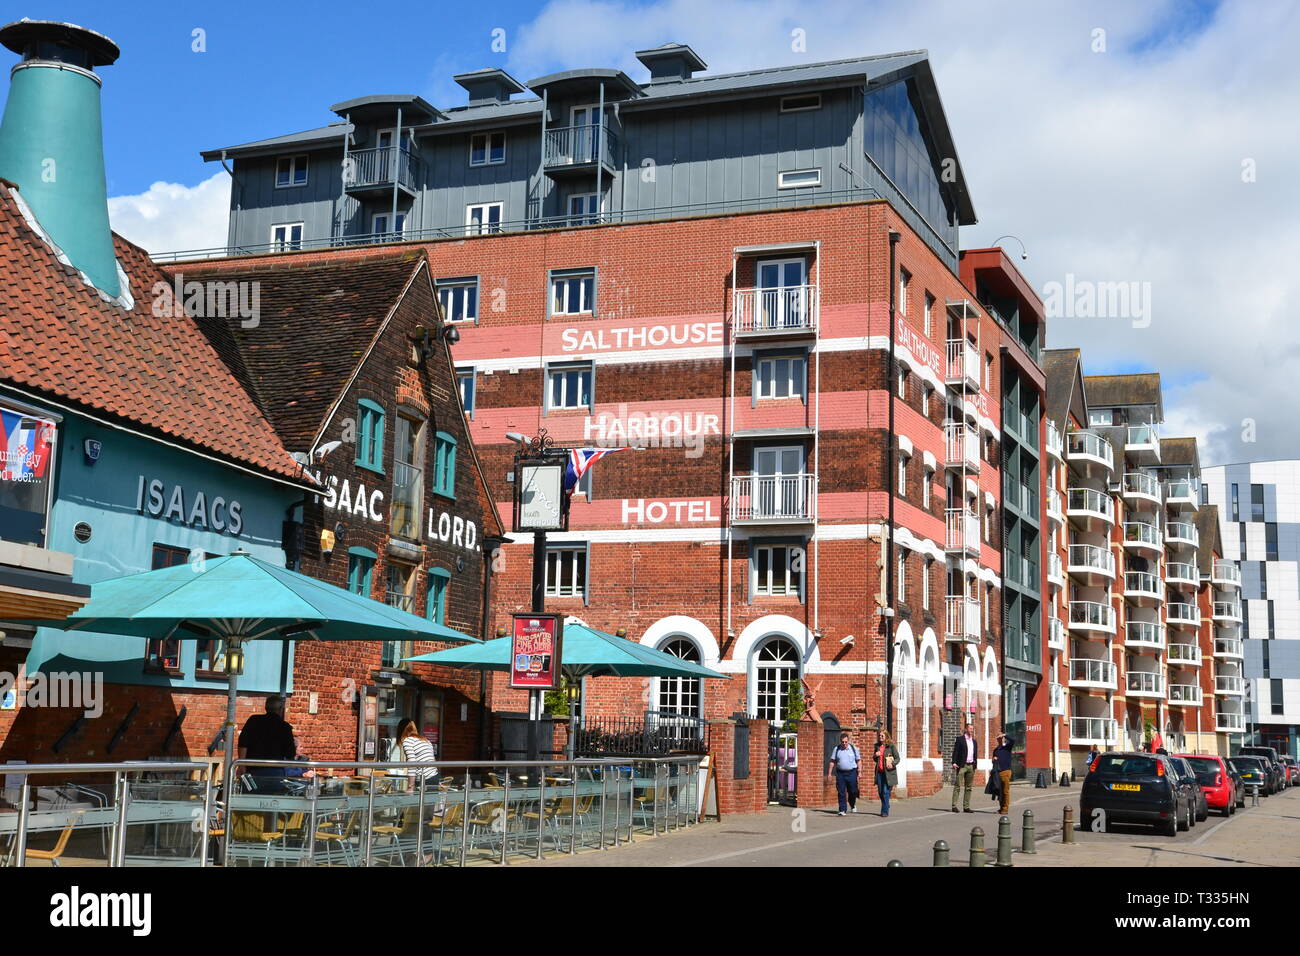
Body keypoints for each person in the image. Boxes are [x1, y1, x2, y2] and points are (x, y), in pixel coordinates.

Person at [237, 696, 296, 790]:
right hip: (275, 771)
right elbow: (290, 753)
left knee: (249, 800)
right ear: (281, 709)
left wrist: (241, 764)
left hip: (252, 768)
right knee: (274, 800)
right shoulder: (285, 727)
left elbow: (243, 743)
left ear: (265, 707)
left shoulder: (253, 720)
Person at [826, 731, 862, 816]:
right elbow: (832, 761)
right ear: (840, 741)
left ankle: (852, 804)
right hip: (840, 773)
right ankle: (842, 809)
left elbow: (859, 761)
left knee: (853, 791)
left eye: (846, 742)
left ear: (848, 741)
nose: (844, 744)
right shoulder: (837, 749)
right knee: (841, 791)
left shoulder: (853, 749)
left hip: (852, 772)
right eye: (842, 742)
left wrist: (859, 772)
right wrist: (829, 774)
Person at [397, 718, 438, 786]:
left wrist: (411, 786)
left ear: (400, 730)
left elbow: (412, 763)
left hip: (424, 779)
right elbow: (432, 759)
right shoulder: (425, 740)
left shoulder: (408, 741)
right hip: (434, 776)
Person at [950, 722, 978, 813]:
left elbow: (975, 754)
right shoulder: (960, 739)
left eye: (972, 729)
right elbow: (955, 752)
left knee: (969, 787)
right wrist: (954, 762)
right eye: (970, 728)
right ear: (966, 729)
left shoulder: (974, 741)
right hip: (962, 766)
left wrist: (974, 766)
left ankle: (966, 807)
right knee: (958, 786)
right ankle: (954, 806)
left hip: (971, 766)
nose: (971, 730)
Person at [873, 729, 900, 818]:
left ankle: (884, 811)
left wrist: (892, 764)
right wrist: (875, 755)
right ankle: (886, 804)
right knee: (880, 792)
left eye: (882, 736)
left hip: (888, 773)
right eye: (879, 736)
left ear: (886, 737)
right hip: (879, 773)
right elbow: (874, 759)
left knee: (885, 792)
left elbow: (897, 758)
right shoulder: (877, 746)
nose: (880, 737)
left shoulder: (891, 747)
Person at [992, 733, 1014, 815]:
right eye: (998, 738)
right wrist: (994, 759)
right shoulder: (996, 750)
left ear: (1004, 739)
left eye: (1001, 738)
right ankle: (1001, 808)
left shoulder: (1007, 747)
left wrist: (1005, 735)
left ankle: (1005, 808)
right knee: (999, 792)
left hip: (1006, 771)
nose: (1000, 739)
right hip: (998, 772)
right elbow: (993, 762)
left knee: (1005, 791)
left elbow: (1013, 740)